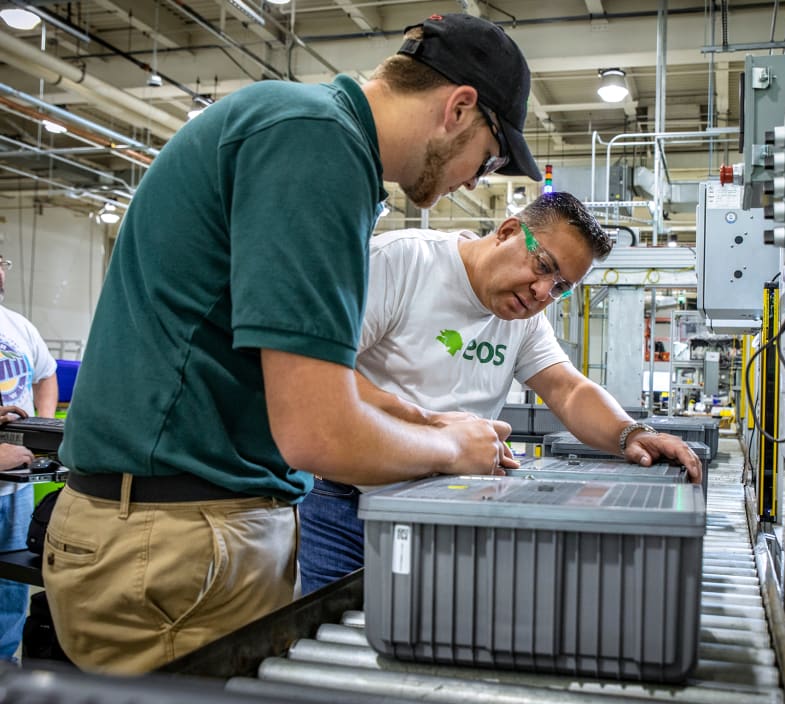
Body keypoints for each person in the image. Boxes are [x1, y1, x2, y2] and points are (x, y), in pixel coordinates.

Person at [44, 13, 541, 674]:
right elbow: (319, 434)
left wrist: (419, 418)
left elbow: (292, 370)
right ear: (457, 108)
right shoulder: (319, 146)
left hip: (184, 534)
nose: (478, 179)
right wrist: (453, 449)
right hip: (175, 547)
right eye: (493, 155)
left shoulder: (312, 136)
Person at [298, 192, 704, 593]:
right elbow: (318, 370)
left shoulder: (522, 319)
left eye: (561, 286)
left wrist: (631, 434)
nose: (543, 292)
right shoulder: (401, 262)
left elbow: (566, 388)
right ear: (509, 231)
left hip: (446, 508)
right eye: (543, 266)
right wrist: (434, 426)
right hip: (347, 507)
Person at [0, 254, 58, 661]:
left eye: (1, 261)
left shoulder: (17, 325)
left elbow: (46, 374)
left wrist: (44, 427)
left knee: (11, 592)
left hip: (17, 489)